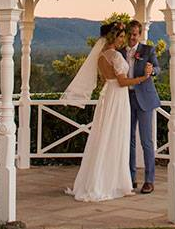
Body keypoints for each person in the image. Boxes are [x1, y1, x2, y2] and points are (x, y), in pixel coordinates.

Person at [61, 21, 153, 202]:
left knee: (106, 136)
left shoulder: (101, 56)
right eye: (120, 36)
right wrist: (143, 78)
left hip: (108, 95)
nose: (123, 40)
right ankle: (111, 182)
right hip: (118, 97)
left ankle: (105, 179)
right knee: (117, 137)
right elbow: (122, 82)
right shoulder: (116, 56)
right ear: (113, 37)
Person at [122, 20, 162, 194]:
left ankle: (149, 180)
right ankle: (130, 178)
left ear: (139, 35)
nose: (132, 37)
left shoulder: (147, 50)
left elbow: (159, 68)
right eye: (130, 33)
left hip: (144, 98)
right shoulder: (119, 52)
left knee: (146, 141)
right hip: (125, 98)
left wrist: (151, 70)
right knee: (128, 140)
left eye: (135, 34)